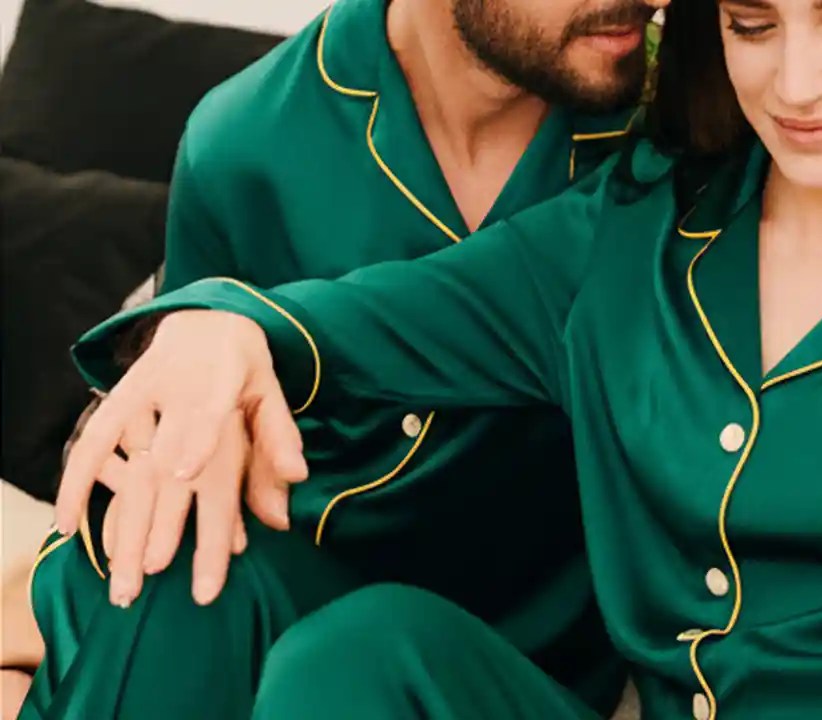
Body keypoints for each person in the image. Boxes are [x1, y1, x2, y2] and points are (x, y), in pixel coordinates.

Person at [28, 0, 822, 718]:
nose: (797, 79)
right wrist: (216, 326)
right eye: (750, 23)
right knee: (326, 640)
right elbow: (368, 315)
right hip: (405, 628)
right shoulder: (638, 221)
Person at [9, 0, 663, 716]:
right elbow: (157, 448)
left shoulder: (694, 129)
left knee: (348, 653)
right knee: (179, 558)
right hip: (271, 618)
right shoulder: (242, 144)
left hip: (511, 675)